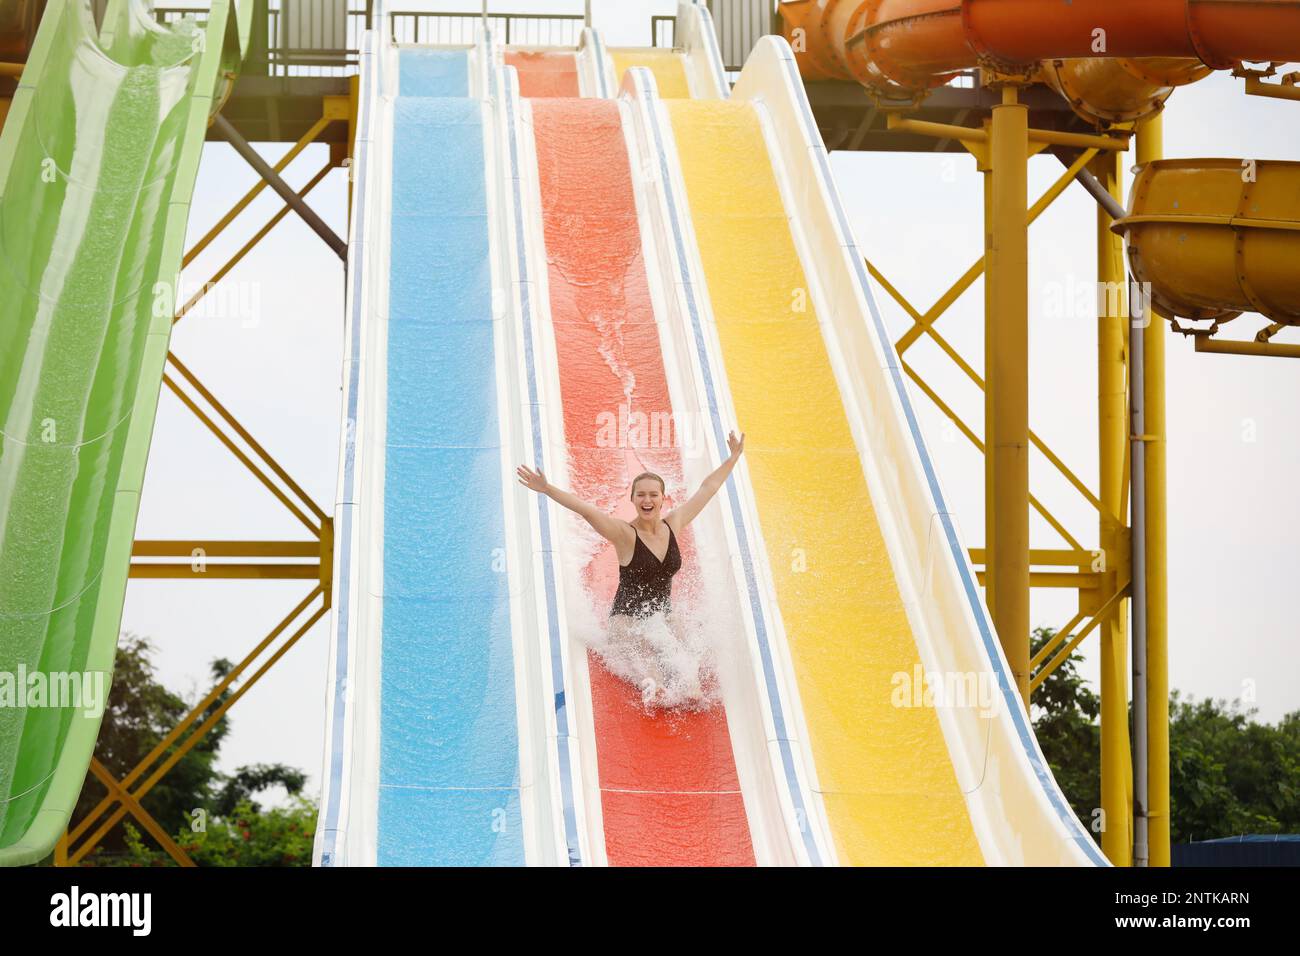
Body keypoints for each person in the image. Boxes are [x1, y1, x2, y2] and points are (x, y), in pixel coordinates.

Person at [516, 431, 745, 704]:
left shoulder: (674, 524)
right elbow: (587, 511)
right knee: (654, 678)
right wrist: (547, 489)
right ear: (633, 499)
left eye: (653, 495)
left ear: (662, 498)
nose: (647, 500)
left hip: (662, 615)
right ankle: (653, 686)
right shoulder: (625, 535)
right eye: (641, 495)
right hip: (625, 622)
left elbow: (707, 489)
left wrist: (733, 458)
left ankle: (681, 682)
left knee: (693, 678)